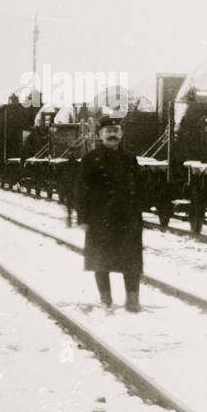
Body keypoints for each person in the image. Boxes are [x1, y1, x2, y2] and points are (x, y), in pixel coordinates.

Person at [75, 115, 144, 312]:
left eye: (115, 131)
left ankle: (132, 300)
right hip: (100, 218)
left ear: (121, 134)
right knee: (101, 261)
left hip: (127, 217)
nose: (112, 135)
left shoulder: (129, 158)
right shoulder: (90, 159)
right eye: (108, 132)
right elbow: (81, 189)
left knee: (131, 261)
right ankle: (106, 300)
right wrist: (82, 217)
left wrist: (140, 213)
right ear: (100, 135)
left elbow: (139, 186)